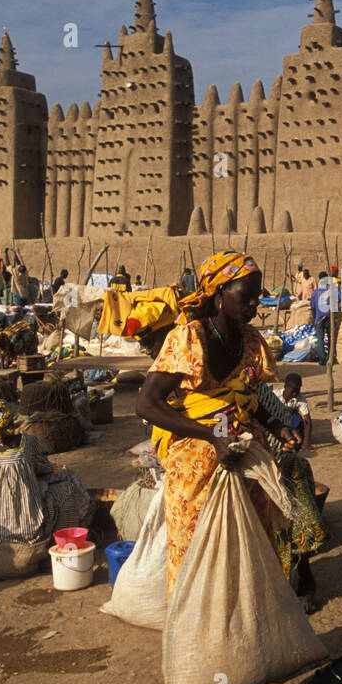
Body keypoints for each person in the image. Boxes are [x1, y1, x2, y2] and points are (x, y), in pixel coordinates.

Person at [134, 251, 303, 600]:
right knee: (196, 549)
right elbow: (146, 405)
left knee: (249, 547)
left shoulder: (251, 341)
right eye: (247, 295)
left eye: (258, 295)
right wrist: (212, 436)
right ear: (218, 293)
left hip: (245, 455)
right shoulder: (189, 339)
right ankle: (197, 634)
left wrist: (277, 426)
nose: (255, 304)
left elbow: (250, 398)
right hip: (197, 460)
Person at [0, 399, 92, 563]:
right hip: (26, 533)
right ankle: (61, 547)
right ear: (10, 419)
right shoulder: (27, 443)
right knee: (66, 490)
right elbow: (44, 468)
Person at [275, 372, 312, 449]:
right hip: (277, 421)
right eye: (292, 391)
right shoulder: (275, 395)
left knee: (297, 418)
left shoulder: (300, 398)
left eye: (297, 391)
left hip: (291, 423)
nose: (295, 394)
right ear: (285, 387)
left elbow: (307, 420)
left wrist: (306, 441)